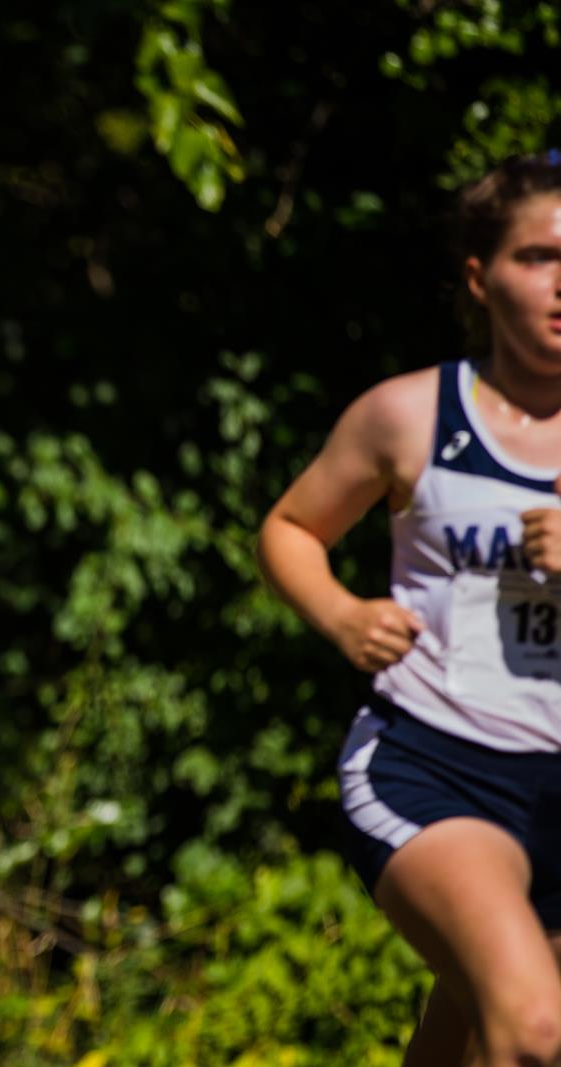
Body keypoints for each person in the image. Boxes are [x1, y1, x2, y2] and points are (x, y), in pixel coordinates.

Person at [258, 151, 561, 1066]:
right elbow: (291, 527)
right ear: (481, 275)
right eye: (539, 257)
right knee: (536, 1026)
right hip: (439, 762)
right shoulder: (410, 416)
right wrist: (344, 616)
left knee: (473, 1023)